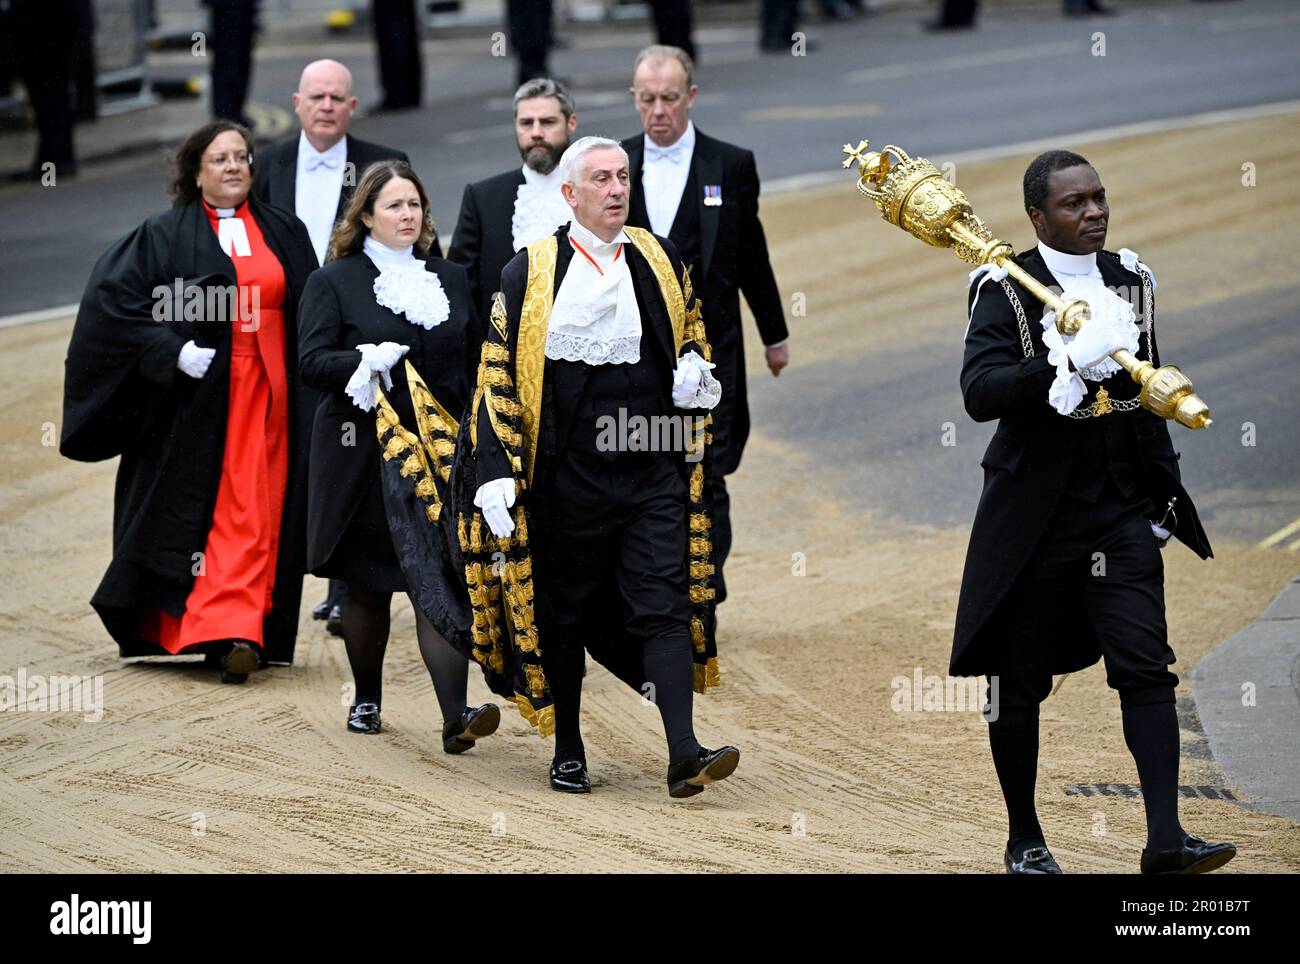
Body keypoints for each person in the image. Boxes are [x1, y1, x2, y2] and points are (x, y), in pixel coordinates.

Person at [954, 149, 1235, 874]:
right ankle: (1024, 839)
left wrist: (1161, 504)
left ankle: (1165, 842)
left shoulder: (1131, 279)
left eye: (1099, 199)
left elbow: (1148, 396)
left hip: (1119, 514)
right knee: (1016, 683)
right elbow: (980, 394)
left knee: (1148, 670)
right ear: (1037, 216)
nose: (1094, 213)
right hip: (1035, 523)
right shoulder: (1006, 290)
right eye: (1075, 204)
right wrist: (1065, 363)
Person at [460, 136, 739, 798]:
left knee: (663, 603)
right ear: (570, 194)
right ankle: (569, 749)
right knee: (564, 614)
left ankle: (683, 752)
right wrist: (497, 465)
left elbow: (692, 328)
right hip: (566, 476)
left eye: (623, 177)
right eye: (602, 180)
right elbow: (496, 372)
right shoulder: (527, 272)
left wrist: (697, 365)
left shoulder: (660, 259)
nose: (617, 189)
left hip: (651, 471)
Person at [61, 120, 318, 682]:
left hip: (274, 398)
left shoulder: (283, 230)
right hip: (198, 405)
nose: (233, 167)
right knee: (217, 511)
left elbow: (314, 308)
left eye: (241, 157)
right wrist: (170, 351)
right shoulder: (162, 234)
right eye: (219, 159)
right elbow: (113, 308)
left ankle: (243, 629)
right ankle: (223, 630)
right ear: (195, 172)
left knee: (262, 509)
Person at [297, 160, 499, 750]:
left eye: (414, 204)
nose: (407, 215)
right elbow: (310, 362)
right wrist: (361, 360)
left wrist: (477, 444)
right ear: (365, 216)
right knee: (367, 587)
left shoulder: (451, 277)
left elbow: (471, 370)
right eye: (393, 206)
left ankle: (455, 716)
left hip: (438, 457)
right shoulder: (332, 281)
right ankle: (365, 698)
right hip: (362, 458)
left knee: (438, 582)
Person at [254, 58, 428, 633]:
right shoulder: (270, 165)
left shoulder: (383, 166)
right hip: (281, 333)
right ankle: (280, 579)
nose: (327, 106)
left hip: (354, 336)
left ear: (352, 107)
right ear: (297, 103)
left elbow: (414, 243)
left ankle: (342, 584)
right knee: (296, 450)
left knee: (349, 452)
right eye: (317, 96)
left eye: (338, 98)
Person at [622, 45, 788, 628]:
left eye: (669, 98)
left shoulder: (730, 163)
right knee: (647, 464)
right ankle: (652, 591)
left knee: (707, 472)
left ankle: (702, 594)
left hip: (712, 353)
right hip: (634, 358)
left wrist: (775, 334)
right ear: (635, 99)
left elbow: (751, 253)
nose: (658, 110)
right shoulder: (613, 164)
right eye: (647, 99)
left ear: (690, 96)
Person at [448, 77, 578, 332]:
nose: (536, 132)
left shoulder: (595, 190)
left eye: (548, 122)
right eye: (526, 123)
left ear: (571, 123)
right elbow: (462, 286)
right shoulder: (482, 197)